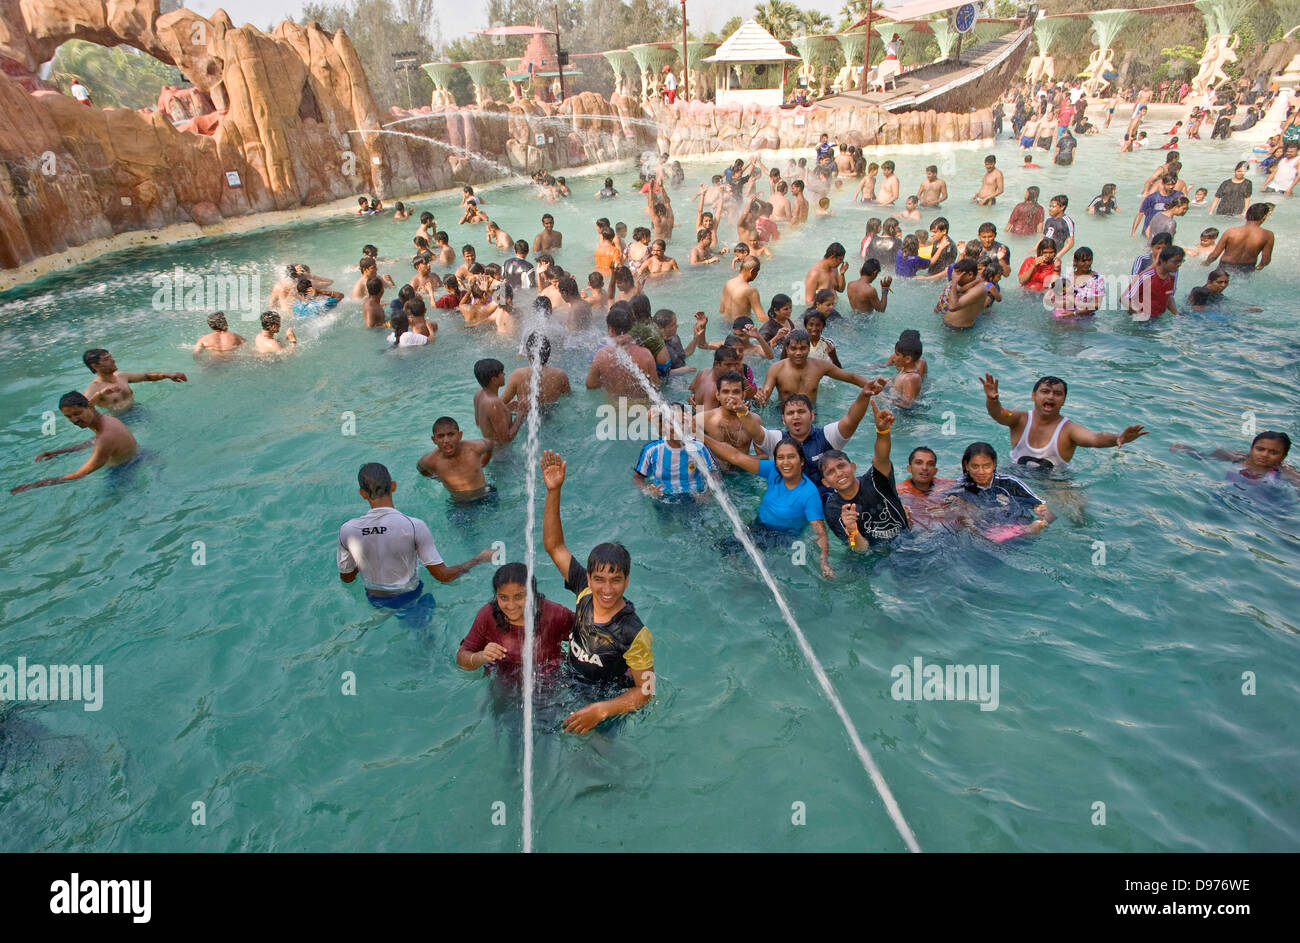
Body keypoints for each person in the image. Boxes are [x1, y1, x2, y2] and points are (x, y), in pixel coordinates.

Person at [540, 450, 655, 734]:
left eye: (615, 580)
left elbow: (647, 690)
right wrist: (554, 491)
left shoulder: (633, 632)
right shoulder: (583, 592)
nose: (606, 589)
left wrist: (602, 709)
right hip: (572, 681)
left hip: (608, 699)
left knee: (595, 763)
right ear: (588, 578)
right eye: (599, 579)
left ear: (627, 581)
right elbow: (555, 547)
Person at [337, 463, 492, 617]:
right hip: (410, 596)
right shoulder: (414, 526)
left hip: (374, 599)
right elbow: (443, 576)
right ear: (393, 486)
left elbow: (348, 578)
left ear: (362, 493)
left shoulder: (348, 530)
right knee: (425, 635)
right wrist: (478, 559)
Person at [693, 433, 835, 577]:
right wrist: (701, 436)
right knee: (722, 547)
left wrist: (824, 562)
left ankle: (750, 579)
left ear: (802, 461)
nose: (786, 463)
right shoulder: (774, 471)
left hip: (783, 537)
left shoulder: (809, 494)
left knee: (738, 556)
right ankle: (746, 578)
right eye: (781, 458)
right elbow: (735, 456)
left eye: (791, 457)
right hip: (759, 526)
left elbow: (820, 532)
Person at [980, 374, 1146, 472]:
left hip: (1055, 485)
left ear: (1064, 400)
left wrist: (1117, 438)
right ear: (1033, 396)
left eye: (1057, 394)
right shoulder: (1019, 418)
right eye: (1045, 391)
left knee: (1078, 512)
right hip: (1015, 473)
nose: (1051, 397)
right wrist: (992, 400)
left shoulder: (1069, 430)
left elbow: (1095, 438)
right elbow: (999, 414)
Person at [457, 562, 575, 680]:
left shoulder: (555, 614)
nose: (511, 606)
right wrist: (482, 656)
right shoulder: (488, 616)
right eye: (503, 597)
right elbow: (462, 660)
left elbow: (586, 637)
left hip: (551, 681)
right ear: (496, 596)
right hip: (505, 682)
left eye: (518, 596)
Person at [11, 392, 137, 494]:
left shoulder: (105, 438)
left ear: (89, 407)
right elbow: (92, 442)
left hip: (124, 470)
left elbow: (78, 475)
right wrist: (56, 452)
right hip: (138, 456)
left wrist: (33, 485)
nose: (74, 420)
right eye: (68, 416)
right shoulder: (107, 420)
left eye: (77, 413)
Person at [820, 409, 908, 551]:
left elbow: (882, 457)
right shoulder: (833, 508)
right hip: (871, 555)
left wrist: (882, 431)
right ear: (826, 483)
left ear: (853, 467)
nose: (839, 473)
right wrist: (851, 529)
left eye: (841, 466)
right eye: (830, 472)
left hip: (905, 542)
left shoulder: (875, 480)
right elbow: (858, 549)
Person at [949, 442, 1053, 539]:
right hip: (982, 534)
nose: (981, 472)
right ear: (967, 466)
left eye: (986, 466)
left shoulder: (1010, 483)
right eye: (975, 466)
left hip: (1017, 531)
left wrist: (1037, 525)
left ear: (994, 465)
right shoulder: (959, 488)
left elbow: (1049, 515)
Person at [756, 329, 869, 408]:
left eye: (803, 348)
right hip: (784, 414)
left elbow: (851, 377)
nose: (798, 353)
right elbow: (765, 395)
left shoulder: (820, 366)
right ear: (787, 349)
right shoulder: (776, 369)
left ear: (809, 348)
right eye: (793, 348)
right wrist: (761, 398)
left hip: (811, 413)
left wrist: (872, 386)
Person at [632, 402, 718, 499]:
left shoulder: (699, 447)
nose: (677, 428)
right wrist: (648, 491)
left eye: (681, 422)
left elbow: (714, 473)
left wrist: (706, 495)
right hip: (663, 497)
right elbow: (637, 477)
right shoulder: (651, 450)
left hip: (695, 498)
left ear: (688, 424)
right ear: (663, 426)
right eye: (671, 423)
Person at [1170, 432, 1300, 491]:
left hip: (1265, 509)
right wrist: (1186, 449)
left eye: (1274, 452)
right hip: (1226, 496)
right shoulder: (1236, 457)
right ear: (1251, 449)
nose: (1265, 455)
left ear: (1283, 456)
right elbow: (1204, 458)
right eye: (1260, 449)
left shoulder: (1286, 472)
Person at [416, 416, 495, 502]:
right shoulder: (431, 461)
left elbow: (491, 444)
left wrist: (485, 460)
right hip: (460, 503)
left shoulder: (474, 448)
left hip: (485, 493)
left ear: (459, 435)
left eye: (451, 434)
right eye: (441, 436)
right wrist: (434, 477)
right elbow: (419, 468)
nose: (446, 440)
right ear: (434, 440)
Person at [82, 348, 188, 411]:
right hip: (121, 421)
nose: (113, 360)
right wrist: (99, 394)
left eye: (110, 357)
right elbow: (83, 409)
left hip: (138, 411)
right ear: (95, 366)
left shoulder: (122, 376)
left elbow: (146, 376)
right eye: (106, 359)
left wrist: (167, 375)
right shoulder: (93, 388)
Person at [587, 306, 657, 397]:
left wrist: (610, 381)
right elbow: (655, 385)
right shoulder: (646, 354)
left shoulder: (601, 355)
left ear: (610, 330)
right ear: (631, 328)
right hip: (641, 406)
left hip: (613, 407)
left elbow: (590, 384)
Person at [501, 332, 572, 409]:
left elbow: (500, 403)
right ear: (549, 352)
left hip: (526, 417)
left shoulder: (518, 374)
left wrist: (509, 406)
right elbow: (568, 399)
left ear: (528, 354)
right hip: (552, 416)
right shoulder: (560, 375)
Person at [1204, 202, 1274, 273]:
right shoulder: (1268, 235)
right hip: (1247, 268)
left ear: (1247, 215)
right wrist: (1259, 267)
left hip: (1225, 266)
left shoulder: (1231, 231)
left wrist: (1206, 263)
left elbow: (1214, 255)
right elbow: (1266, 260)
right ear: (1264, 217)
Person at [1124, 244, 1185, 320]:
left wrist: (1177, 315)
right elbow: (1124, 299)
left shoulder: (1171, 276)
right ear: (1163, 261)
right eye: (1175, 261)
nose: (1179, 264)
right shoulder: (1147, 276)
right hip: (1139, 319)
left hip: (1156, 318)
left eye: (1181, 261)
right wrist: (1140, 315)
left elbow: (1169, 297)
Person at [473, 358, 526, 446]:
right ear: (494, 380)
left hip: (489, 448)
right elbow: (506, 439)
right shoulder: (494, 403)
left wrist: (505, 410)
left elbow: (479, 423)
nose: (504, 374)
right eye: (501, 372)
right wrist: (520, 414)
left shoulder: (479, 394)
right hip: (501, 454)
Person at [1047, 247, 1104, 318]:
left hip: (1085, 318)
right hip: (1062, 314)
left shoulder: (1097, 279)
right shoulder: (1066, 278)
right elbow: (1050, 298)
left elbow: (1096, 305)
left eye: (1090, 260)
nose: (1087, 263)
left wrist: (1074, 313)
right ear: (1075, 261)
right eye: (1083, 261)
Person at [935, 259, 988, 330]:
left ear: (970, 274)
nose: (954, 277)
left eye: (957, 274)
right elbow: (977, 279)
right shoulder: (975, 279)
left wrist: (954, 283)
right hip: (950, 326)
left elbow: (953, 307)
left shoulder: (979, 290)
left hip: (959, 330)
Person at [720, 257, 766, 324]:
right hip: (741, 330)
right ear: (752, 271)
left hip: (725, 325)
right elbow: (761, 317)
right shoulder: (751, 291)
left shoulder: (728, 283)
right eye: (757, 271)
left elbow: (722, 310)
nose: (757, 274)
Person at [886, 329, 924, 406]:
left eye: (897, 354)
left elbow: (908, 404)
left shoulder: (911, 378)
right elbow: (900, 386)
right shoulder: (904, 369)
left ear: (907, 359)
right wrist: (889, 382)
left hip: (906, 415)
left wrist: (885, 399)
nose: (894, 358)